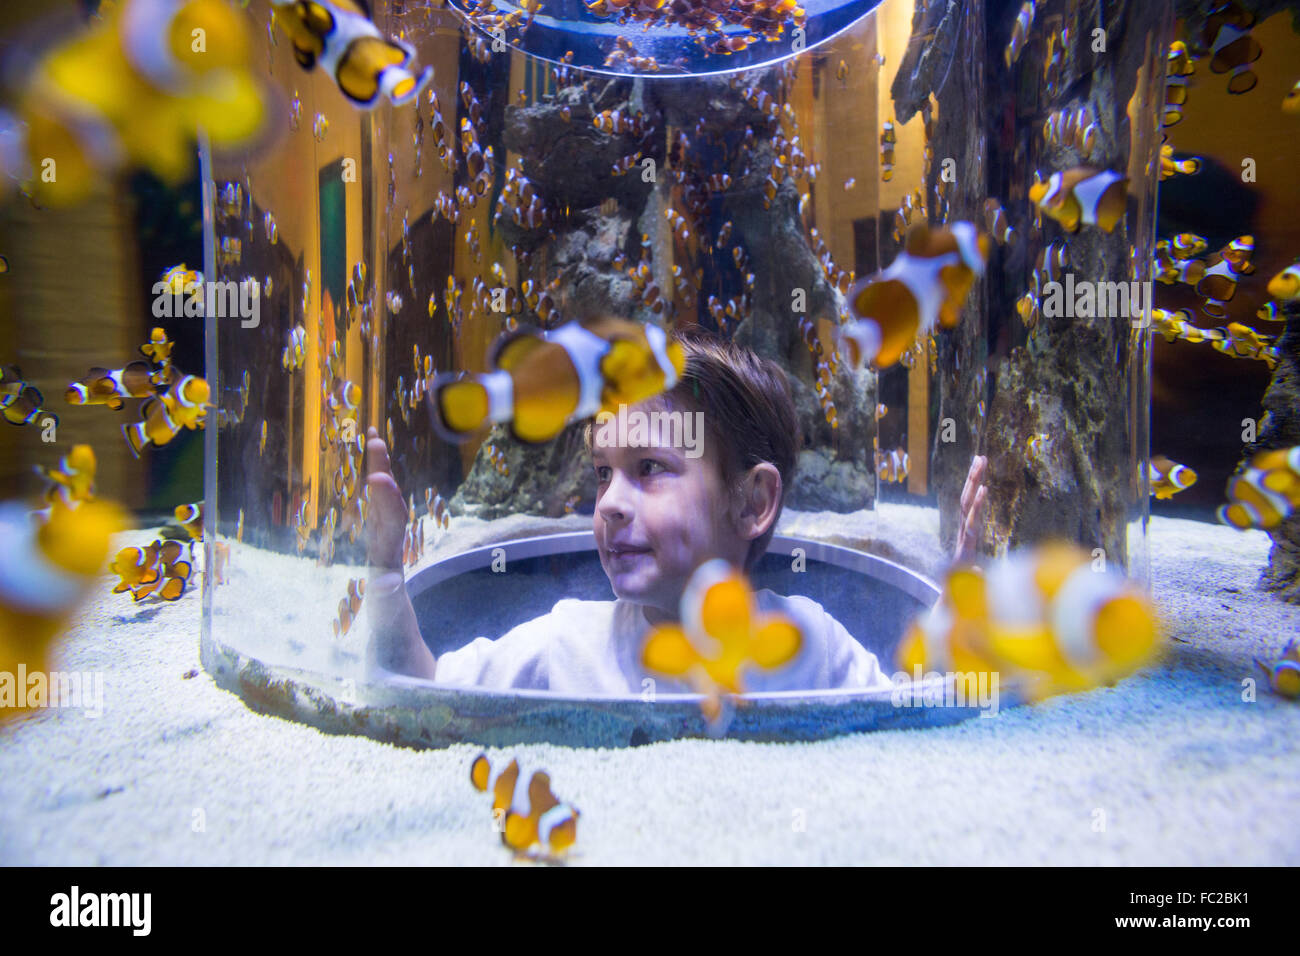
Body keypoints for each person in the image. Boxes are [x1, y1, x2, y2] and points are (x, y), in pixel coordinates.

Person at [364, 326, 988, 694]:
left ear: (753, 502)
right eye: (603, 473)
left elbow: (914, 710)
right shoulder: (564, 643)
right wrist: (388, 576)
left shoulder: (808, 645)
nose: (608, 503)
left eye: (649, 469)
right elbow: (416, 683)